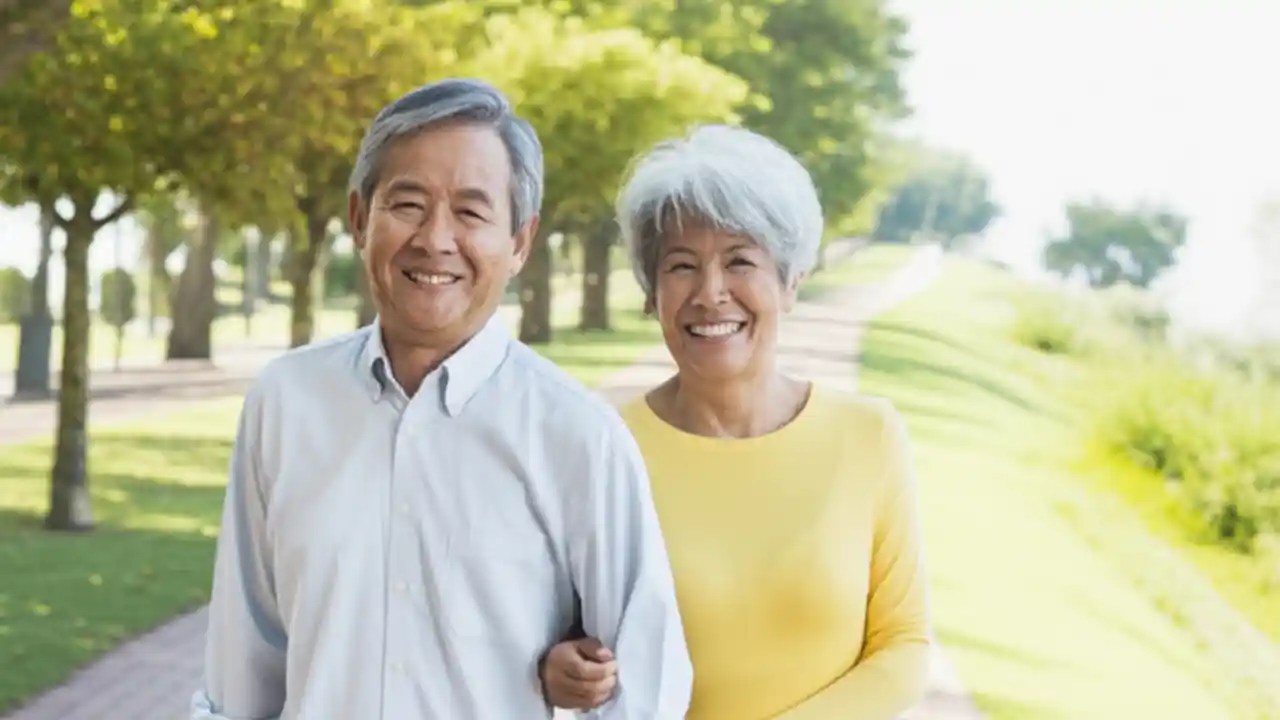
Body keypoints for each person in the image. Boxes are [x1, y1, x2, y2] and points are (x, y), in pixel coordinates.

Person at [191, 78, 692, 720]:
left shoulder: (576, 435)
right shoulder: (286, 403)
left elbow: (646, 685)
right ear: (358, 218)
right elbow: (246, 656)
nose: (435, 238)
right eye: (407, 203)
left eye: (472, 211)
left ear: (519, 242)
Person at [540, 125, 932, 719]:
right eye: (681, 266)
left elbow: (902, 647)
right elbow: (557, 635)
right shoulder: (603, 447)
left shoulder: (868, 436)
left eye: (740, 261)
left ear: (791, 282)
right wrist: (562, 668)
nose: (710, 292)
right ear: (652, 294)